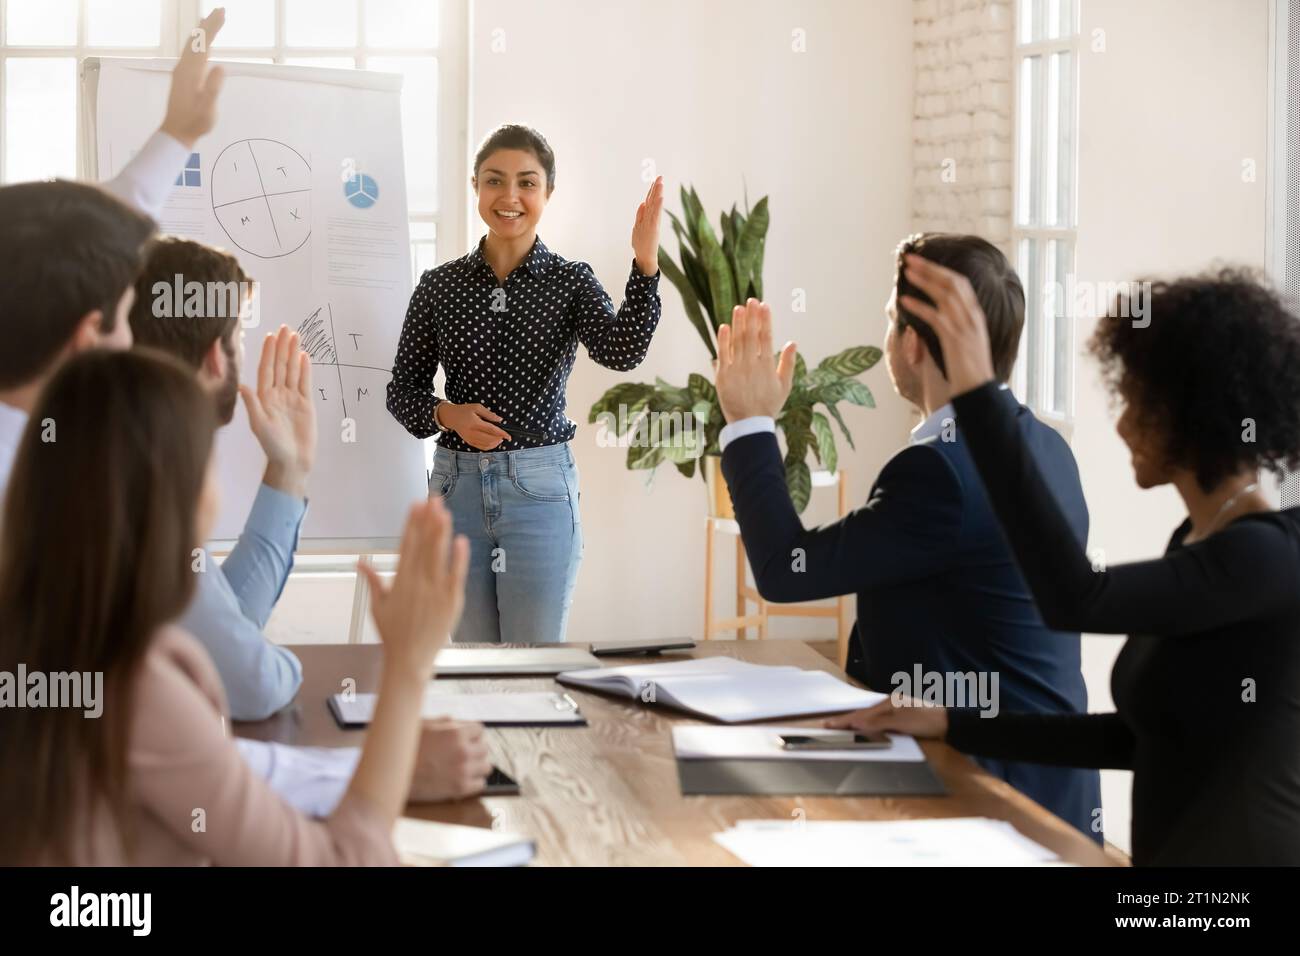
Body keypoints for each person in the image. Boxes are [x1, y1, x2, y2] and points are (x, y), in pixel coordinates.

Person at [828, 260, 1300, 865]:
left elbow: (1074, 598)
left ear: (1191, 413)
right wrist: (952, 723)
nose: (1124, 425)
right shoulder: (1205, 542)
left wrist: (977, 401)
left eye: (1135, 403)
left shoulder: (1264, 557)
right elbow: (1136, 737)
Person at [0, 349, 476, 864]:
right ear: (172, 492)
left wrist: (288, 468)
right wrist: (407, 665)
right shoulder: (136, 687)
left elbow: (228, 641)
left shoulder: (47, 636)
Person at [712, 235, 1101, 841]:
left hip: (986, 797)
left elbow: (789, 571)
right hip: (1052, 794)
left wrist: (750, 421)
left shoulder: (941, 470)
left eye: (892, 323)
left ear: (913, 344)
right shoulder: (1049, 448)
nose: (890, 337)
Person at [129, 236, 490, 803]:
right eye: (240, 336)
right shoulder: (132, 490)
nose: (242, 353)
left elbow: (221, 623)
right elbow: (254, 681)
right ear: (215, 358)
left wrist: (288, 469)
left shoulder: (122, 461)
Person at [387, 124, 665, 643]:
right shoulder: (440, 285)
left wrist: (645, 263)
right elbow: (402, 391)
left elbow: (623, 351)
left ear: (548, 194)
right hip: (454, 490)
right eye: (494, 181)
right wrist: (450, 415)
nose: (509, 196)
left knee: (535, 670)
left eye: (527, 183)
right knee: (473, 671)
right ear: (475, 187)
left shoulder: (571, 281)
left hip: (538, 492)